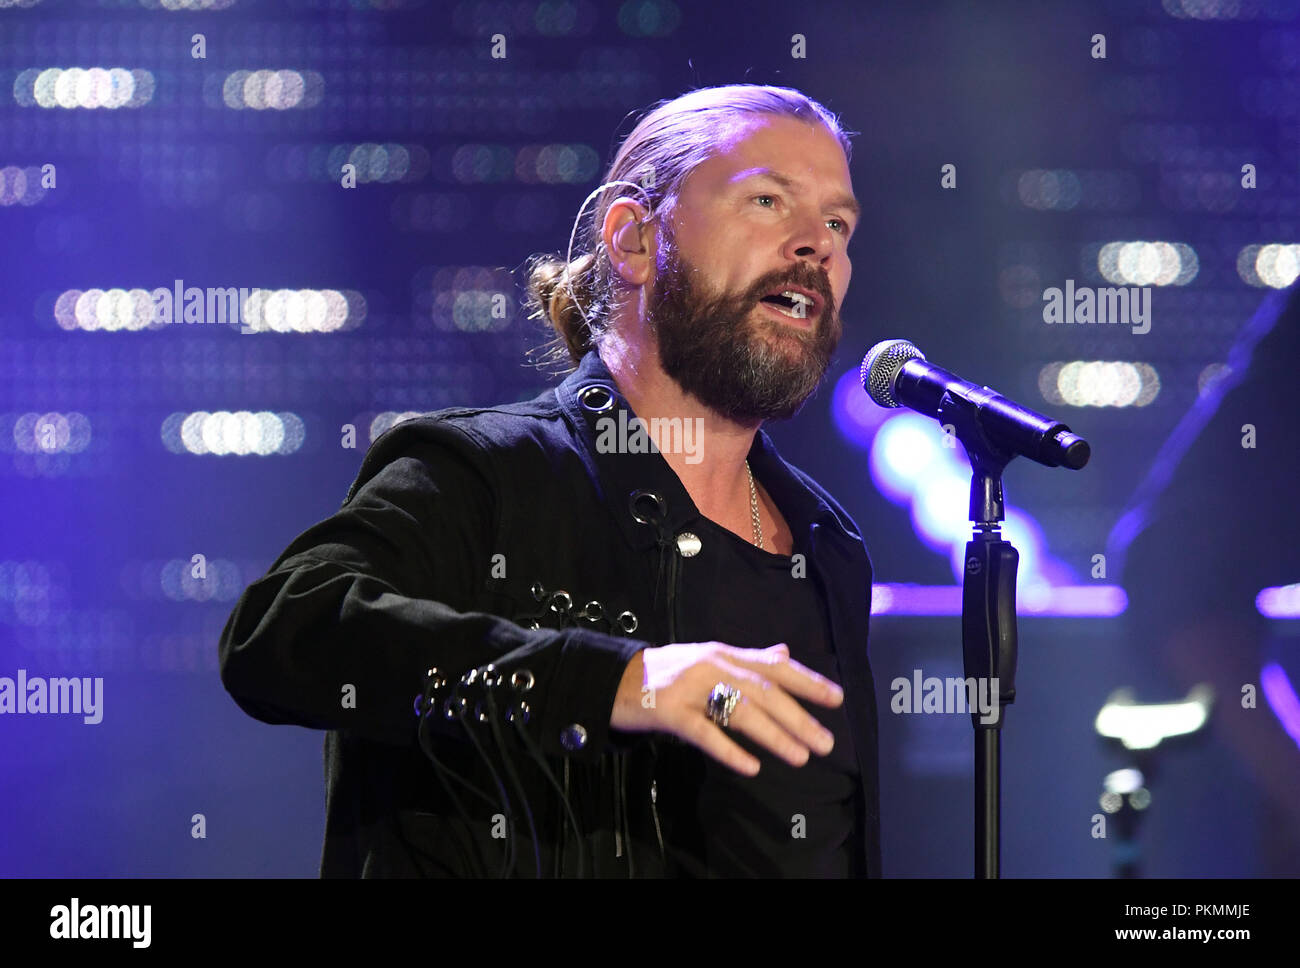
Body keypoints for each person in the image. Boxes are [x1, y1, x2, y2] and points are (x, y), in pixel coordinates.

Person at [218, 83, 882, 878]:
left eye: (838, 224)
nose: (816, 246)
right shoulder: (483, 473)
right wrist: (616, 682)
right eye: (767, 201)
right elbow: (281, 633)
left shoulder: (827, 547)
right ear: (634, 239)